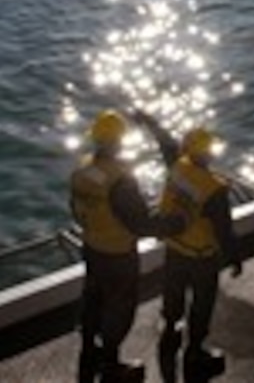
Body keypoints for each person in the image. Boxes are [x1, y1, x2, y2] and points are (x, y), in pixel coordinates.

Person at [70, 109, 184, 383]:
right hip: (118, 256)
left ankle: (89, 350)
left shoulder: (82, 169)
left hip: (92, 249)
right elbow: (141, 224)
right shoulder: (120, 180)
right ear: (119, 142)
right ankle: (111, 366)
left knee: (93, 301)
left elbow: (76, 211)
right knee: (119, 310)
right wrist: (173, 225)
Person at [156, 125, 242, 383]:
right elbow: (224, 231)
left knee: (173, 295)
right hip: (202, 256)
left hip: (175, 249)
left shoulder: (176, 166)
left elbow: (165, 143)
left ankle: (170, 328)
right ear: (208, 154)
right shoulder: (213, 189)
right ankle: (194, 351)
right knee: (202, 304)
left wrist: (148, 121)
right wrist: (235, 258)